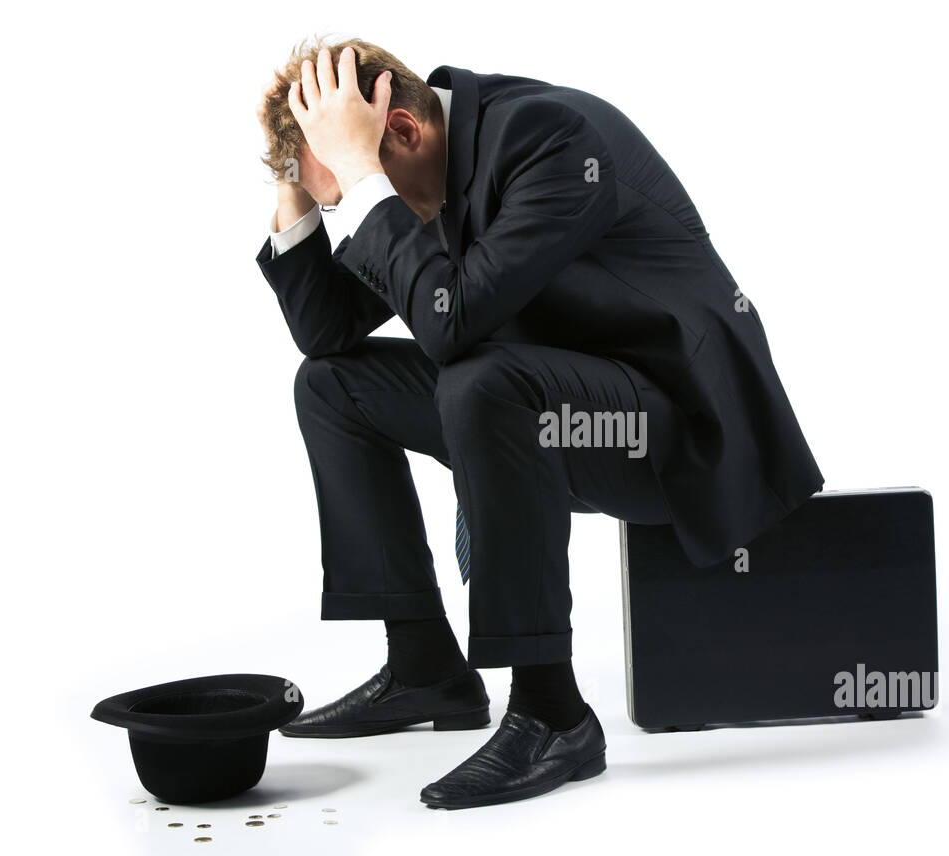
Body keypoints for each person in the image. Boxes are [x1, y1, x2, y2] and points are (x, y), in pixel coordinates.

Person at [254, 37, 825, 809]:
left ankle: (553, 714)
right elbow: (328, 332)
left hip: (672, 427)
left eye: (347, 196)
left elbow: (452, 324)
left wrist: (360, 183)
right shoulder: (429, 165)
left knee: (481, 381)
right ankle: (425, 666)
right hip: (542, 409)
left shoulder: (551, 141)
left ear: (402, 132)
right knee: (330, 387)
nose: (345, 212)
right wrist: (298, 178)